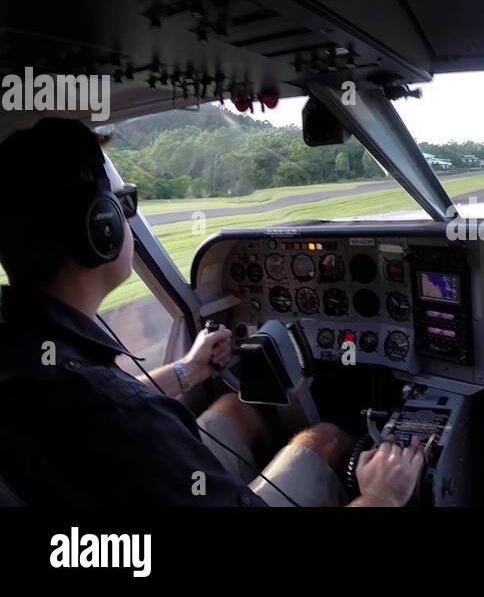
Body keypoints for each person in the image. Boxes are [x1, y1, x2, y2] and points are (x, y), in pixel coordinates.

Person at [0, 118, 423, 506]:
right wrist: (381, 497)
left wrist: (188, 369)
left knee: (237, 406)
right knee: (326, 438)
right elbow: (112, 411)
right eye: (124, 203)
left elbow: (95, 404)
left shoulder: (27, 352)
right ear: (101, 226)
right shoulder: (124, 417)